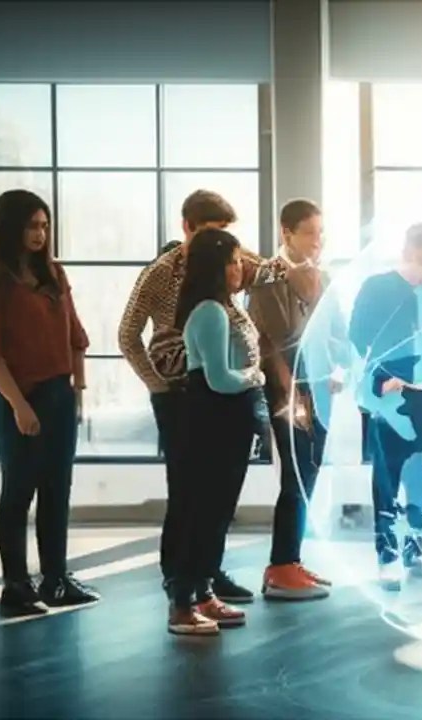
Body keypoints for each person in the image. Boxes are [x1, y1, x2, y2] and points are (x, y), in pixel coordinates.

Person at [118, 189, 287, 603]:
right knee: (186, 489)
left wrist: (273, 260)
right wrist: (158, 384)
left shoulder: (228, 261)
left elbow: (274, 272)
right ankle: (179, 578)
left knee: (218, 493)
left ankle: (208, 573)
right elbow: (127, 333)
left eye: (224, 232)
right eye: (210, 231)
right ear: (187, 227)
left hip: (223, 394)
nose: (218, 240)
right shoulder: (161, 273)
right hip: (180, 391)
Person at [0, 189, 100, 617]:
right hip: (10, 391)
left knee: (57, 485)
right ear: (10, 228)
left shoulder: (52, 273)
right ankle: (16, 585)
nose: (40, 234)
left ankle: (56, 579)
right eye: (30, 226)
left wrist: (77, 388)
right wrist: (20, 406)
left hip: (57, 390)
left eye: (44, 225)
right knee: (20, 483)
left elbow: (76, 335)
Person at [247, 199, 349, 601]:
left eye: (321, 232)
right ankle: (280, 567)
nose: (318, 241)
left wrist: (338, 368)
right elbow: (275, 339)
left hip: (321, 386)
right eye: (309, 233)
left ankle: (290, 560)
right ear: (286, 233)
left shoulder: (324, 277)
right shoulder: (268, 278)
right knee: (295, 474)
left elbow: (338, 331)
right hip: (288, 391)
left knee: (309, 474)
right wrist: (292, 392)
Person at [167, 229, 266, 635]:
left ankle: (204, 593)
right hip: (212, 419)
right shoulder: (209, 311)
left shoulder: (225, 306)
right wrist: (255, 375)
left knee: (219, 511)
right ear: (215, 266)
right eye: (233, 261)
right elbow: (220, 379)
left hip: (228, 420)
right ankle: (182, 604)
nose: (240, 268)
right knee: (202, 512)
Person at [349, 223, 422, 592]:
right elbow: (357, 337)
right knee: (387, 477)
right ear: (407, 252)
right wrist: (378, 382)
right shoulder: (376, 287)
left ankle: (414, 547)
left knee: (419, 476)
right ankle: (387, 556)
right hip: (389, 393)